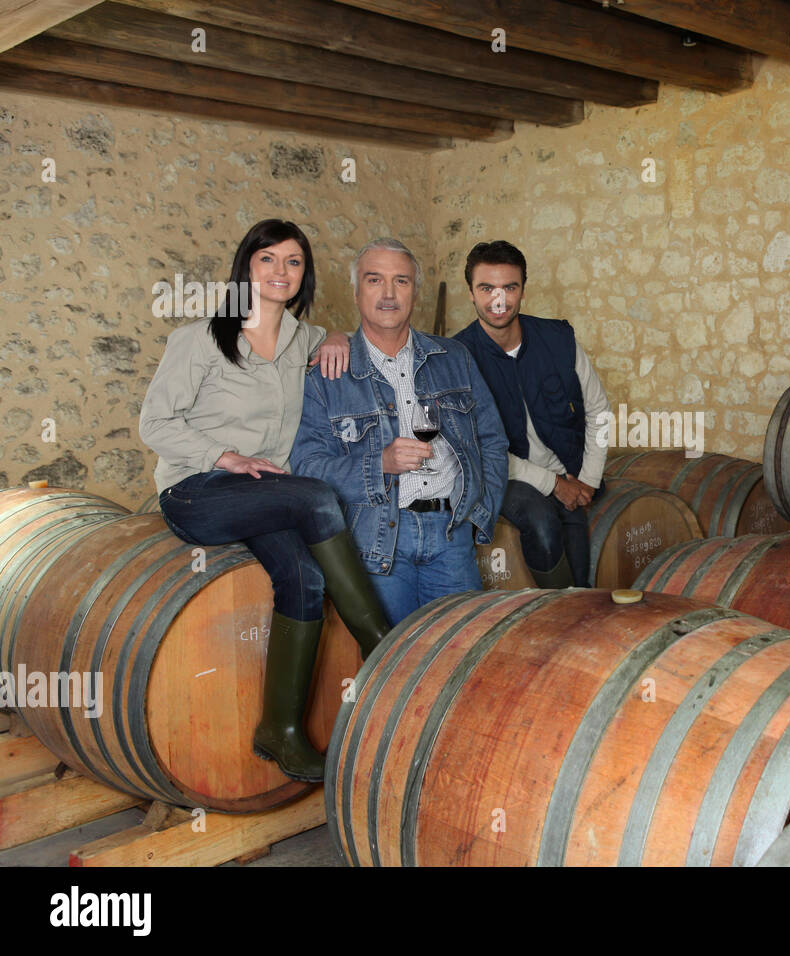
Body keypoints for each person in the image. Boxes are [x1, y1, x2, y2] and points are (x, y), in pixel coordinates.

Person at [139, 218, 392, 785]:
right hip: (197, 490)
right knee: (319, 498)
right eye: (268, 260)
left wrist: (337, 338)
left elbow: (338, 338)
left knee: (305, 579)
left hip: (265, 494)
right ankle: (386, 650)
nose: (281, 272)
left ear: (304, 276)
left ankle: (279, 731)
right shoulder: (201, 338)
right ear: (246, 267)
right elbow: (153, 423)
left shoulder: (306, 339)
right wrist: (222, 454)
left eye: (293, 262)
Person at [291, 238, 508, 625]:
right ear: (357, 293)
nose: (389, 294)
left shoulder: (454, 358)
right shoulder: (326, 376)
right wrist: (381, 464)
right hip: (376, 541)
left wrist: (478, 513)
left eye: (401, 281)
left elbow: (491, 439)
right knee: (392, 665)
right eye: (375, 281)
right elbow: (308, 467)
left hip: (451, 536)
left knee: (460, 655)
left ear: (414, 292)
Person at [454, 240, 611, 588]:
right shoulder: (457, 357)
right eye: (486, 288)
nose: (499, 300)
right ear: (470, 293)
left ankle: (574, 614)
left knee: (580, 578)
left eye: (509, 287)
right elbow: (478, 448)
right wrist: (552, 484)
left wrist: (588, 478)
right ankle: (556, 615)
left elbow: (600, 411)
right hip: (502, 476)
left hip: (570, 474)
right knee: (541, 519)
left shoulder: (559, 339)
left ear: (523, 289)